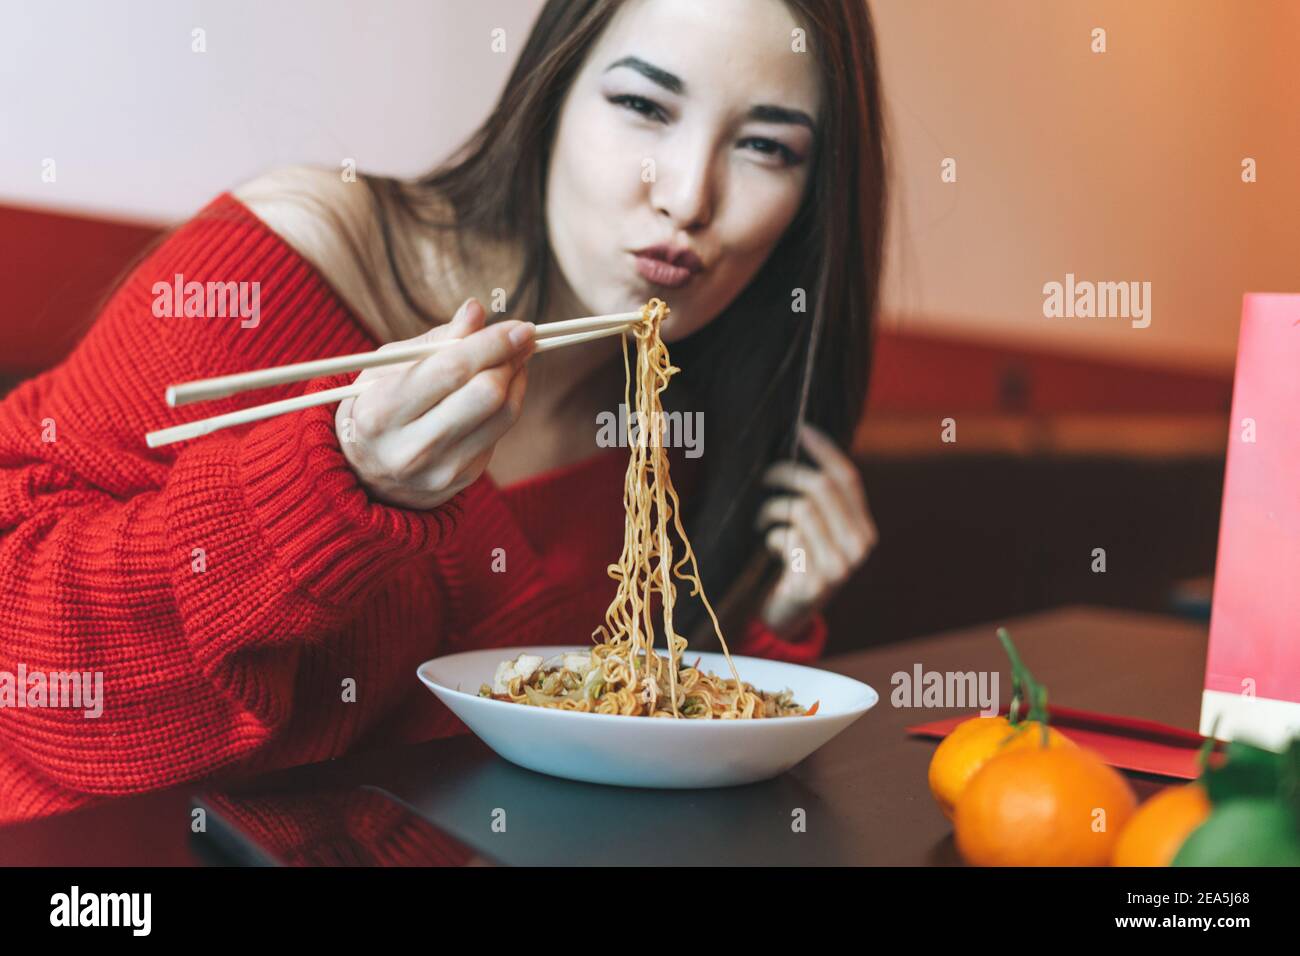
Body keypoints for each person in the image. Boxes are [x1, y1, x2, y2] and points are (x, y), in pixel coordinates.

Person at [0, 0, 883, 824]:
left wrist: (776, 607)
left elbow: (609, 759)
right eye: (645, 107)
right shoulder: (293, 258)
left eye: (767, 147)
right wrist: (335, 478)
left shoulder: (671, 428)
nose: (689, 198)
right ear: (553, 92)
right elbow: (23, 666)